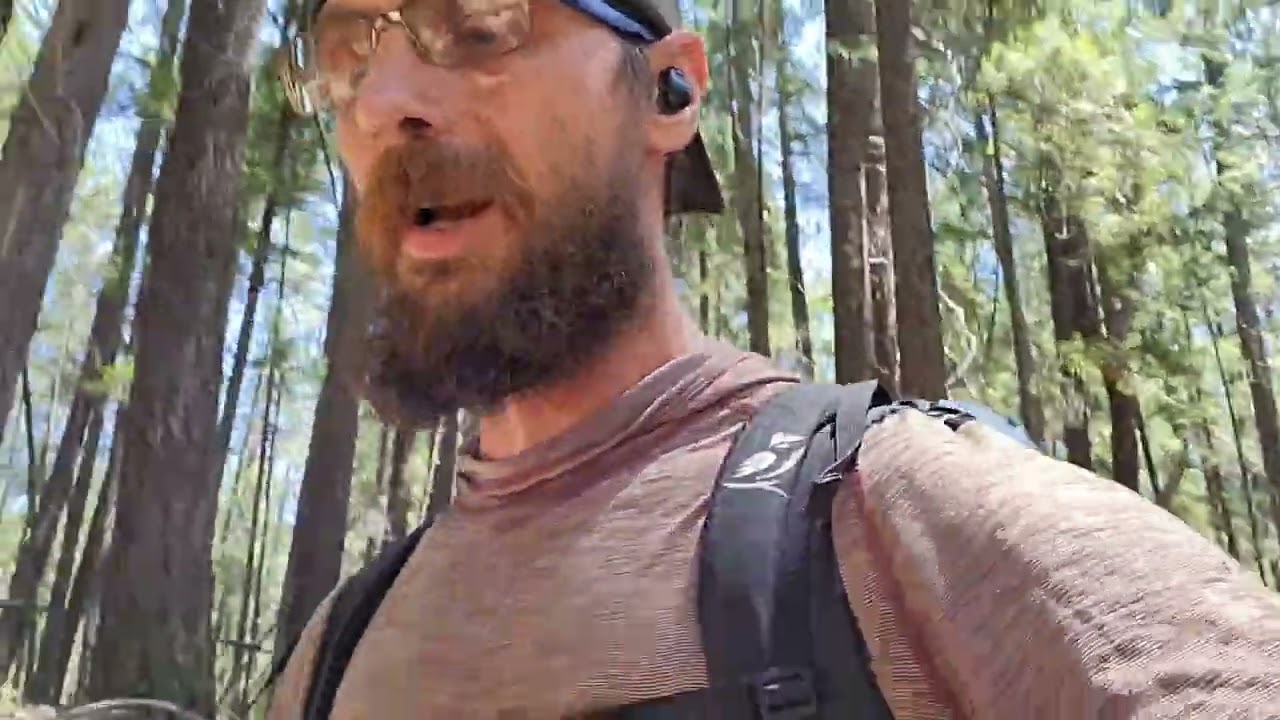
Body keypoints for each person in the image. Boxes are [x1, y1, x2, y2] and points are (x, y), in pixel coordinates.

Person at [265, 0, 1280, 716]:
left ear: (669, 91)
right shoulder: (336, 648)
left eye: (478, 22)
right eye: (347, 58)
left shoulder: (899, 515)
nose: (380, 101)